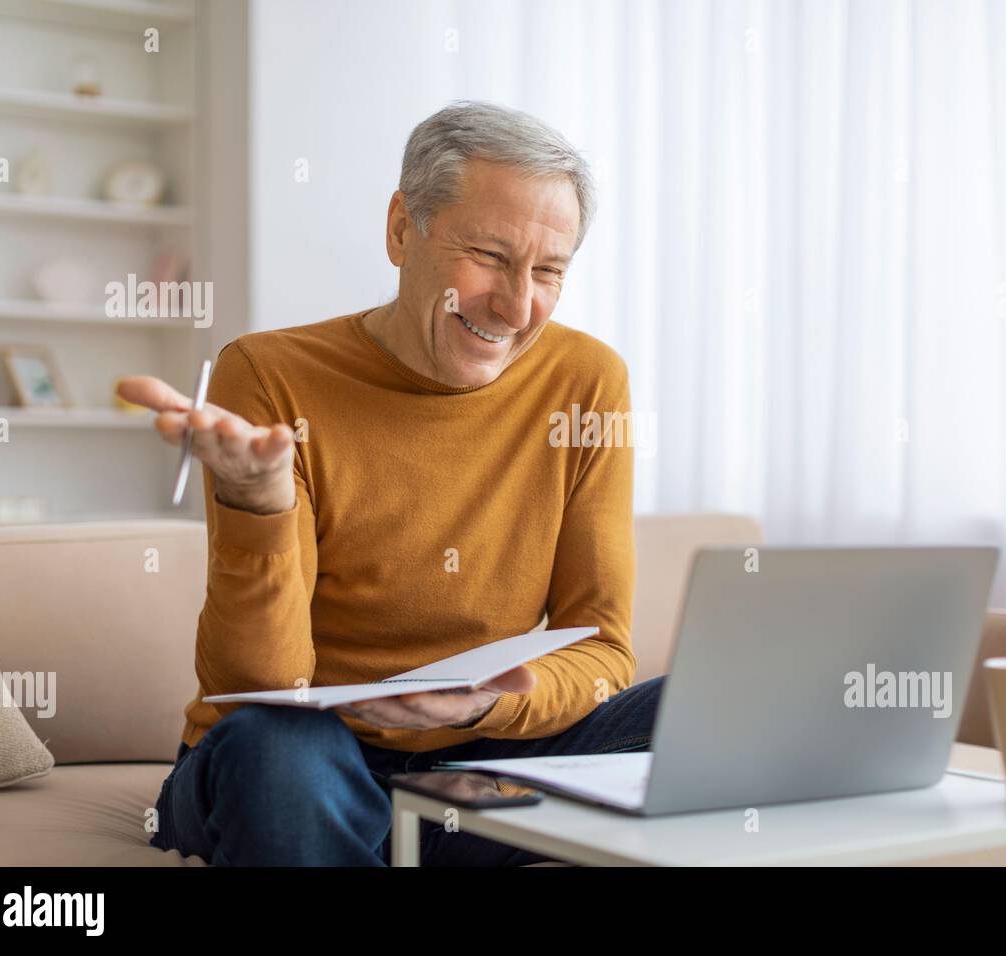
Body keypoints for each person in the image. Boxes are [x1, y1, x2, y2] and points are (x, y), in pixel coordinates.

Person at [117, 101, 661, 866]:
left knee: (702, 712)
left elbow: (604, 648)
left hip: (480, 769)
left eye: (548, 271)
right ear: (402, 228)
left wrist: (496, 697)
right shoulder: (270, 376)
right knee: (279, 747)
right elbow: (260, 686)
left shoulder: (587, 380)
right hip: (310, 762)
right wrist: (260, 502)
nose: (516, 305)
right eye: (489, 256)